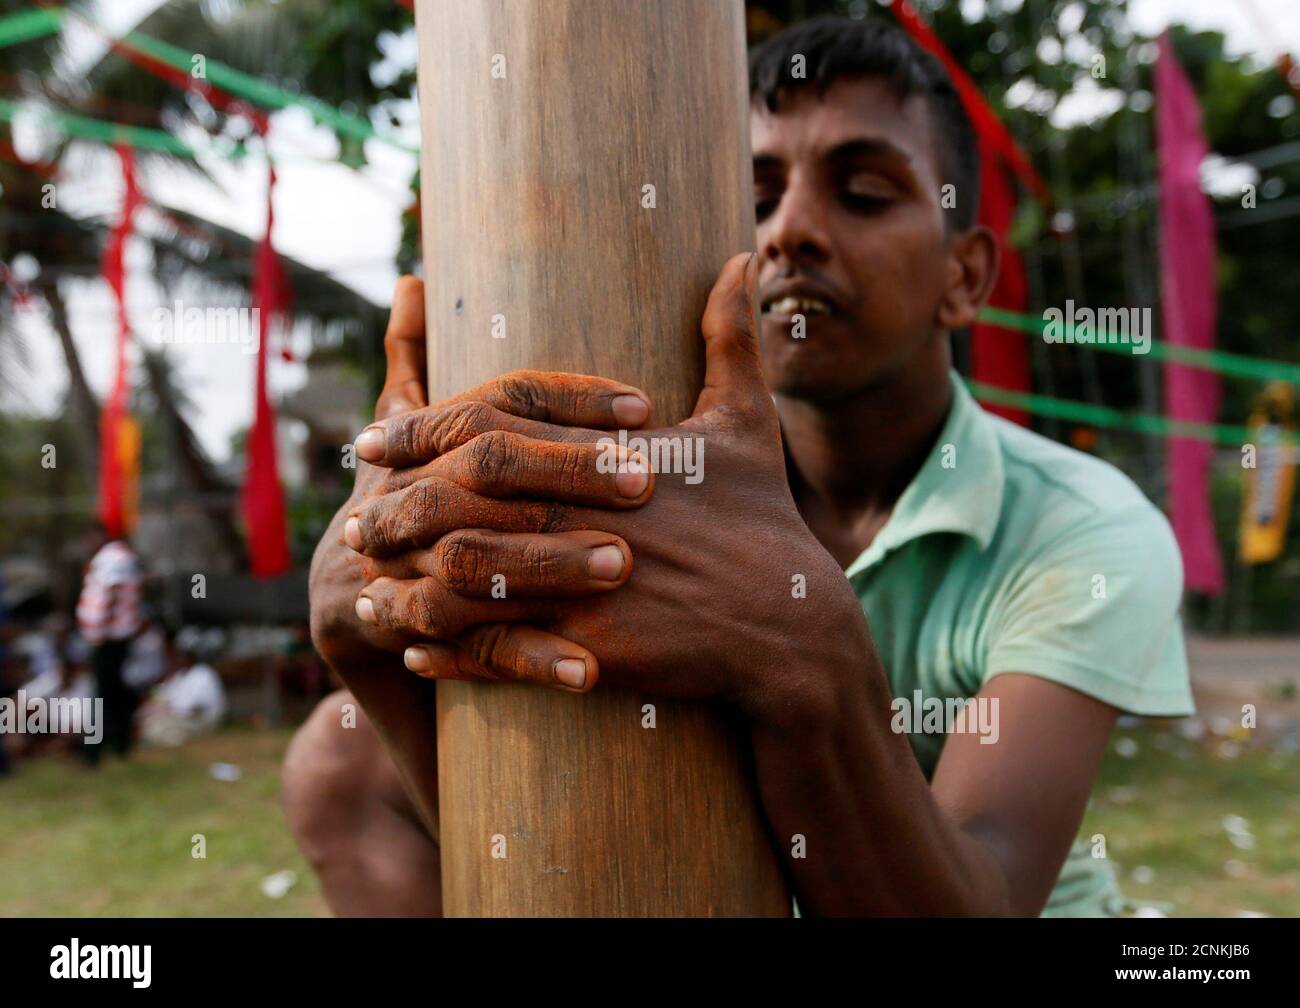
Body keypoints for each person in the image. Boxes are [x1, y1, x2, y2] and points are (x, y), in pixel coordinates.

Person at [284, 15, 1192, 916]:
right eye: (754, 199)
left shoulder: (1081, 526)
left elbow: (985, 898)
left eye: (865, 194)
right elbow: (549, 858)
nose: (789, 231)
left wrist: (803, 647)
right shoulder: (655, 479)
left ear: (965, 275)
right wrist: (378, 612)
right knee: (338, 756)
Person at [74, 525, 144, 763]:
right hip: (110, 637)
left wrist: (100, 628)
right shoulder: (116, 557)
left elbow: (111, 594)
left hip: (109, 638)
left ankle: (93, 752)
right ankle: (119, 743)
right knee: (113, 692)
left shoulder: (114, 557)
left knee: (102, 695)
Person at [138, 636, 226, 748]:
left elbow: (197, 707)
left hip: (199, 719)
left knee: (160, 728)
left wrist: (172, 710)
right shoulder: (179, 676)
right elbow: (162, 698)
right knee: (152, 724)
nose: (178, 659)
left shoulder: (203, 673)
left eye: (181, 655)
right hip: (178, 717)